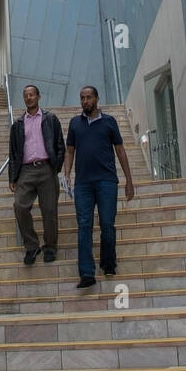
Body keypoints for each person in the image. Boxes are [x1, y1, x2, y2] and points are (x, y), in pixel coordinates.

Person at [63, 85, 135, 289]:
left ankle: (108, 263)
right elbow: (69, 151)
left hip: (107, 182)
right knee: (84, 226)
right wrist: (67, 174)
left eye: (88, 97)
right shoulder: (75, 123)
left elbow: (120, 151)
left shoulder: (109, 122)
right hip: (83, 184)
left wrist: (129, 181)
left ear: (96, 99)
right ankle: (86, 273)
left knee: (107, 224)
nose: (85, 101)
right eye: (82, 98)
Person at [8, 84, 66, 265]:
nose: (29, 98)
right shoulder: (17, 124)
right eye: (26, 95)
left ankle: (50, 247)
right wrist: (13, 177)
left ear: (38, 97)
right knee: (20, 205)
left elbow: (59, 145)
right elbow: (13, 152)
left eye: (32, 95)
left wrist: (55, 167)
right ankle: (32, 246)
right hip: (25, 170)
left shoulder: (50, 118)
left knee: (49, 210)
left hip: (46, 168)